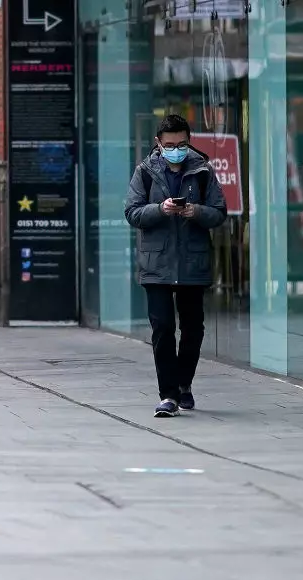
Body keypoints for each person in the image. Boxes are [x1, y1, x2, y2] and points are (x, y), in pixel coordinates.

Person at [124, 114, 228, 417]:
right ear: (159, 143)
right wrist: (161, 209)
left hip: (192, 262)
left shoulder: (203, 170)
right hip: (156, 263)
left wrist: (195, 211)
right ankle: (167, 395)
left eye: (182, 143)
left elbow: (219, 213)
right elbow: (132, 212)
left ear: (189, 140)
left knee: (193, 328)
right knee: (163, 328)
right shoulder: (144, 172)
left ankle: (184, 384)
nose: (176, 149)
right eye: (170, 144)